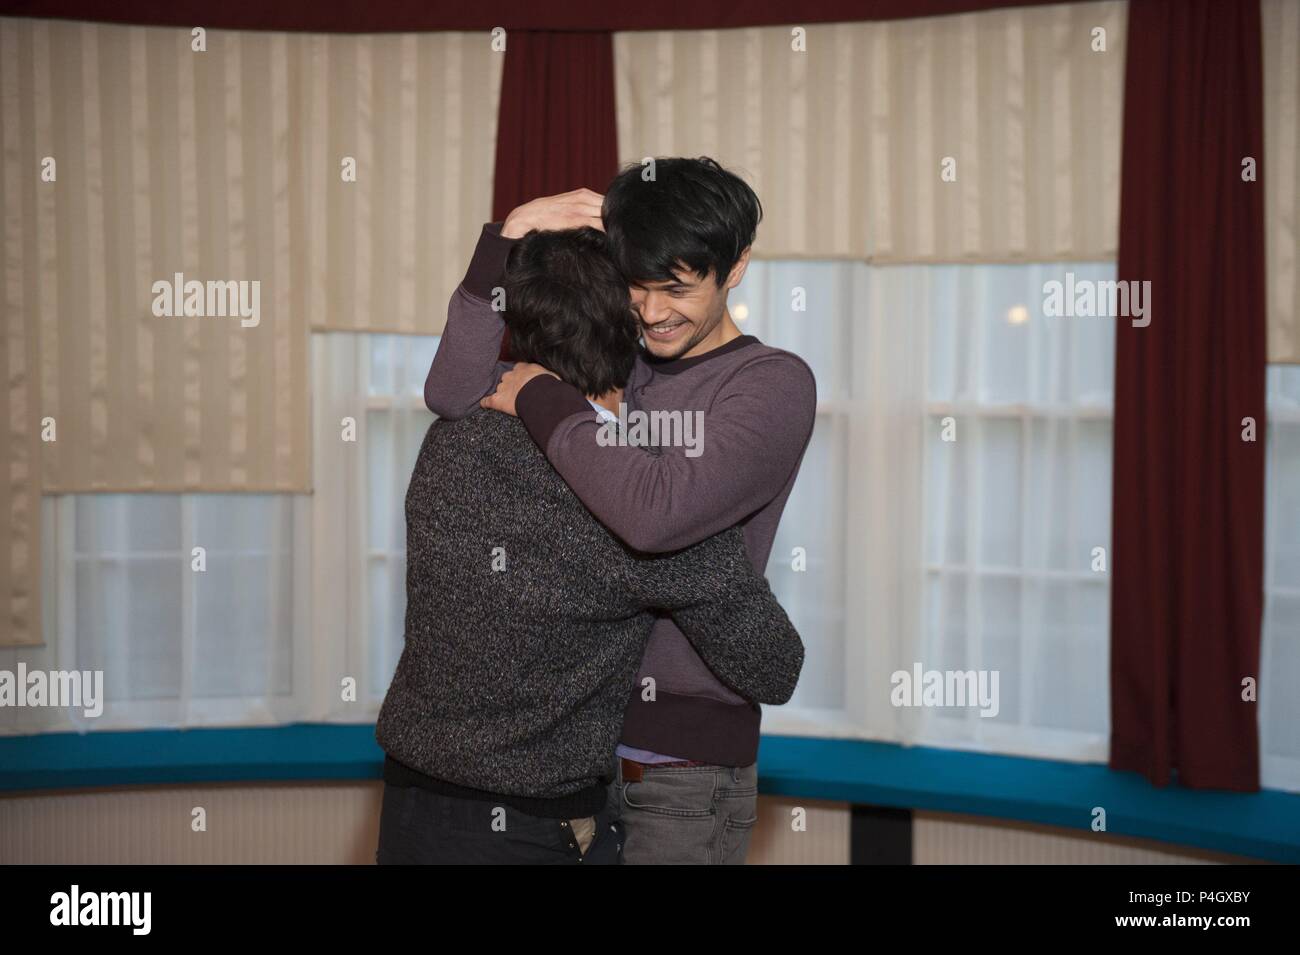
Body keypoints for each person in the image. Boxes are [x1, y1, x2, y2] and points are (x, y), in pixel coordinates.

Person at [423, 157, 818, 864]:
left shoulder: (770, 385)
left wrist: (545, 393)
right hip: (575, 749)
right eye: (635, 284)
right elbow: (455, 391)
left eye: (677, 286)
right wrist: (504, 240)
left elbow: (655, 517)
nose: (652, 310)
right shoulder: (624, 363)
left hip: (680, 768)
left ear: (736, 267)